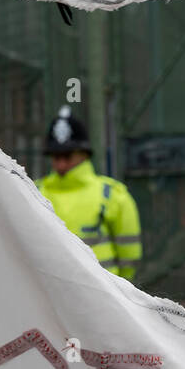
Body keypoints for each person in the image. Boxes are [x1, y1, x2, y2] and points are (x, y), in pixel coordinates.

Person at [37, 106, 143, 281]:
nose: (61, 164)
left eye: (67, 156)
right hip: (49, 296)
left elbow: (129, 257)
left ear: (84, 155)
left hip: (103, 298)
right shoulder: (34, 191)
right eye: (56, 157)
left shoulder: (112, 195)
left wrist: (122, 290)